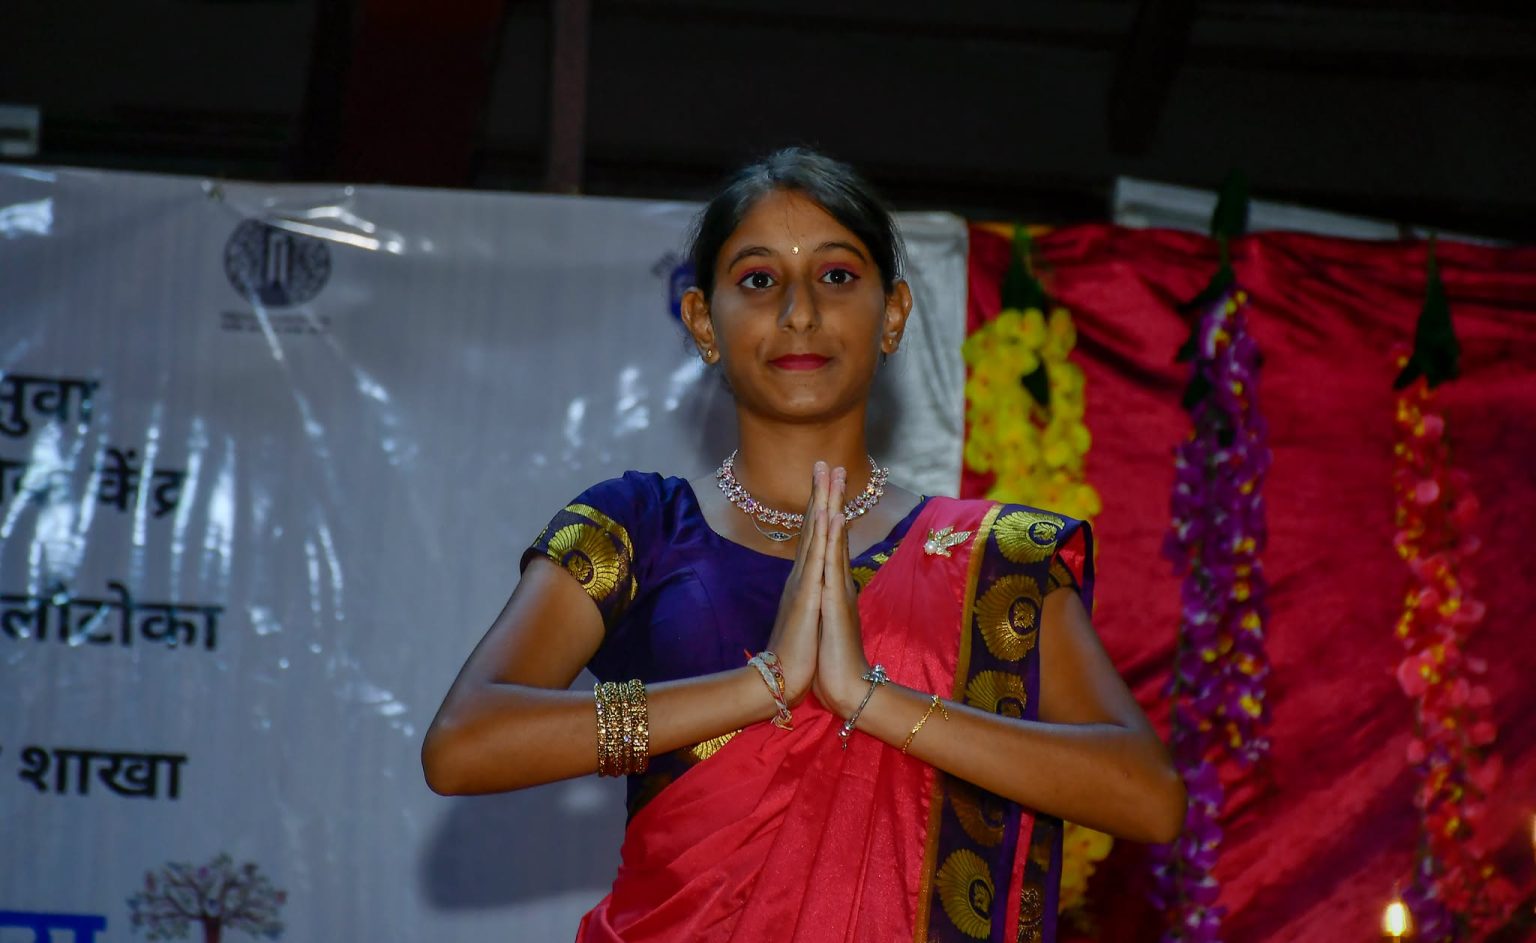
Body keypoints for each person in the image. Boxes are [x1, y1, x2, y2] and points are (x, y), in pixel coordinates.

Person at [422, 147, 1185, 943]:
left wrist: (870, 698)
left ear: (892, 314)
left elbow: (1149, 795)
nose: (799, 312)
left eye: (837, 276)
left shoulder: (990, 557)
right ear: (701, 320)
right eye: (758, 279)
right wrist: (766, 685)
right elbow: (464, 744)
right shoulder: (637, 525)